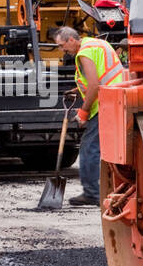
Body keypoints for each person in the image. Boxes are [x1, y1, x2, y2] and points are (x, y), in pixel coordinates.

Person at [53, 26, 128, 207]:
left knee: (89, 148)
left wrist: (83, 112)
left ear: (71, 40)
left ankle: (92, 193)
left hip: (104, 103)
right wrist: (77, 91)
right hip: (119, 98)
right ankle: (116, 188)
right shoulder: (98, 43)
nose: (63, 50)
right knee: (113, 149)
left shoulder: (83, 54)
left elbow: (94, 85)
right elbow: (103, 76)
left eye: (62, 46)